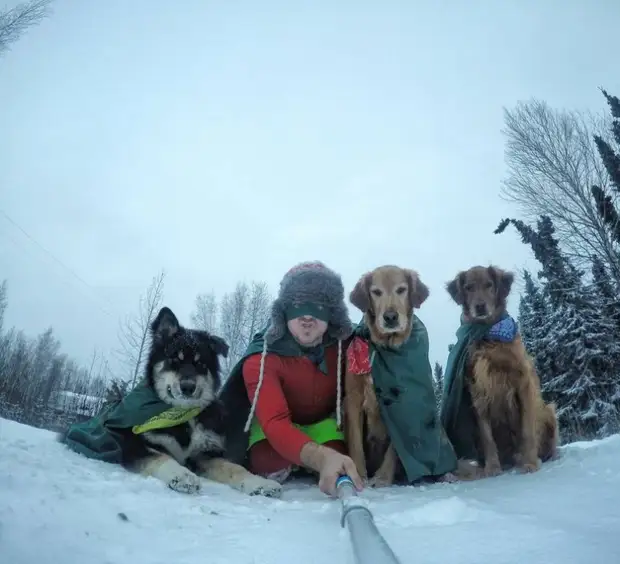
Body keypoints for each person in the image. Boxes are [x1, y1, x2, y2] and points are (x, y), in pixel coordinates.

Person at [219, 261, 364, 496]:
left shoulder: (347, 344)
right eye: (298, 305)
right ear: (283, 311)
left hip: (322, 424)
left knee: (340, 455)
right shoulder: (262, 357)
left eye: (318, 306)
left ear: (333, 314)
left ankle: (307, 456)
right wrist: (319, 458)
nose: (307, 316)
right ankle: (303, 457)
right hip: (275, 426)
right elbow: (275, 420)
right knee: (268, 461)